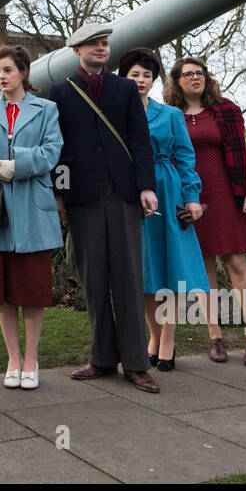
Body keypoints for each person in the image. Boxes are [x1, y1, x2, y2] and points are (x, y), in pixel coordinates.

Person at [51, 24, 161, 394]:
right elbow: (60, 149)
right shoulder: (61, 92)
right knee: (93, 276)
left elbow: (139, 140)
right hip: (82, 195)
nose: (101, 48)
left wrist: (147, 186)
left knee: (128, 276)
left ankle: (136, 362)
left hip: (123, 192)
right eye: (93, 44)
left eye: (105, 43)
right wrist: (60, 194)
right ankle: (101, 358)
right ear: (76, 49)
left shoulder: (125, 88)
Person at [0, 44, 64, 389]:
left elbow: (52, 152)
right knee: (1, 291)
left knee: (32, 290)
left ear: (23, 72)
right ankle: (13, 358)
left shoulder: (47, 109)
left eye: (7, 70)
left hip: (33, 211)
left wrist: (17, 165)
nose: (1, 77)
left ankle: (32, 359)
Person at [164, 56, 246, 366]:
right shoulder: (171, 115)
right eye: (188, 74)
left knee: (236, 263)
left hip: (225, 194)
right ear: (177, 81)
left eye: (200, 73)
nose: (195, 78)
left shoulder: (226, 110)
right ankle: (215, 338)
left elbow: (243, 150)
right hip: (189, 197)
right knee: (203, 268)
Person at [120, 47, 209, 373]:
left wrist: (192, 197)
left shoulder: (171, 115)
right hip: (132, 195)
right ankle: (153, 340)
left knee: (170, 271)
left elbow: (186, 159)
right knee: (146, 272)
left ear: (154, 80)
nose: (141, 80)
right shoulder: (117, 116)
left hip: (168, 190)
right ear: (124, 79)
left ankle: (167, 342)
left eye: (147, 75)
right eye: (134, 75)